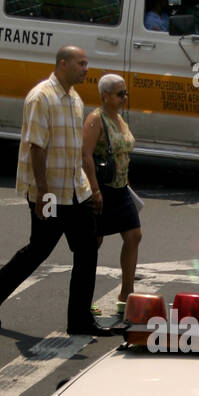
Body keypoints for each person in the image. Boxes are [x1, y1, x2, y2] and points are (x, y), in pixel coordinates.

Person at [0, 47, 121, 339]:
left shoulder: (75, 99)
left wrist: (90, 187)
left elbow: (76, 149)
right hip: (51, 192)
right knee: (38, 250)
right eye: (80, 64)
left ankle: (79, 320)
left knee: (87, 250)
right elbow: (36, 147)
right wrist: (42, 192)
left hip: (75, 191)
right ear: (62, 64)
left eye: (87, 64)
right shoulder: (41, 97)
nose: (85, 69)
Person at [82, 73, 142, 315]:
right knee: (93, 242)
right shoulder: (96, 119)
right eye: (120, 94)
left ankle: (126, 294)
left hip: (121, 189)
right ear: (105, 96)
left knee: (134, 236)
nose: (125, 97)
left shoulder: (119, 118)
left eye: (126, 92)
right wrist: (94, 189)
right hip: (102, 189)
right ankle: (84, 298)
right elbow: (86, 155)